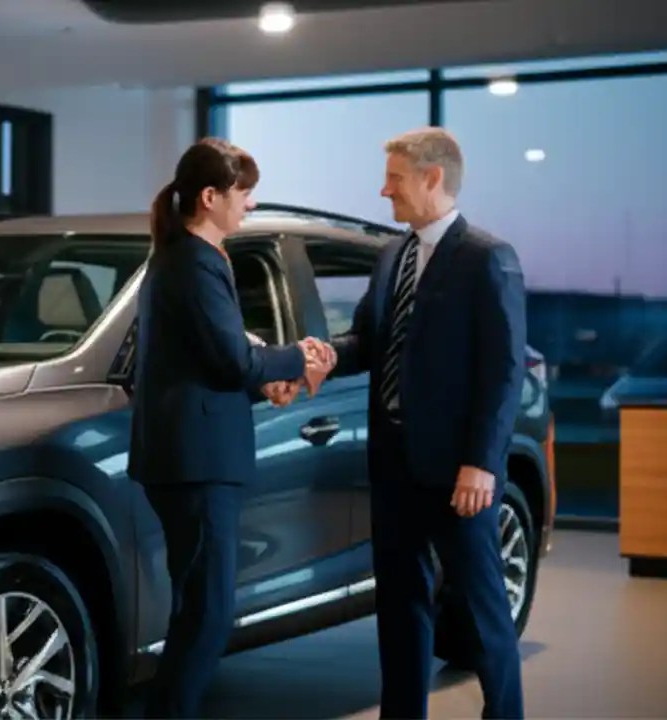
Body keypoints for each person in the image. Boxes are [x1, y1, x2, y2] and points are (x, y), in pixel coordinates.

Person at [322, 127, 528, 718]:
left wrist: (481, 463)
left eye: (394, 178)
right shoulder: (393, 255)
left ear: (432, 177)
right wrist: (320, 358)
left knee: (482, 611)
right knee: (400, 607)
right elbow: (369, 340)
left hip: (457, 473)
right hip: (393, 464)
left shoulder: (488, 258)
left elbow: (503, 370)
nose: (384, 190)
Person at [127, 137, 331, 718]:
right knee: (208, 614)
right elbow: (231, 359)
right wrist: (298, 359)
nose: (251, 204)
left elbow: (208, 361)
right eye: (244, 193)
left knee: (197, 609)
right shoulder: (194, 262)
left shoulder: (180, 258)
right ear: (210, 197)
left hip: (188, 457)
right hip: (199, 463)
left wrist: (265, 380)